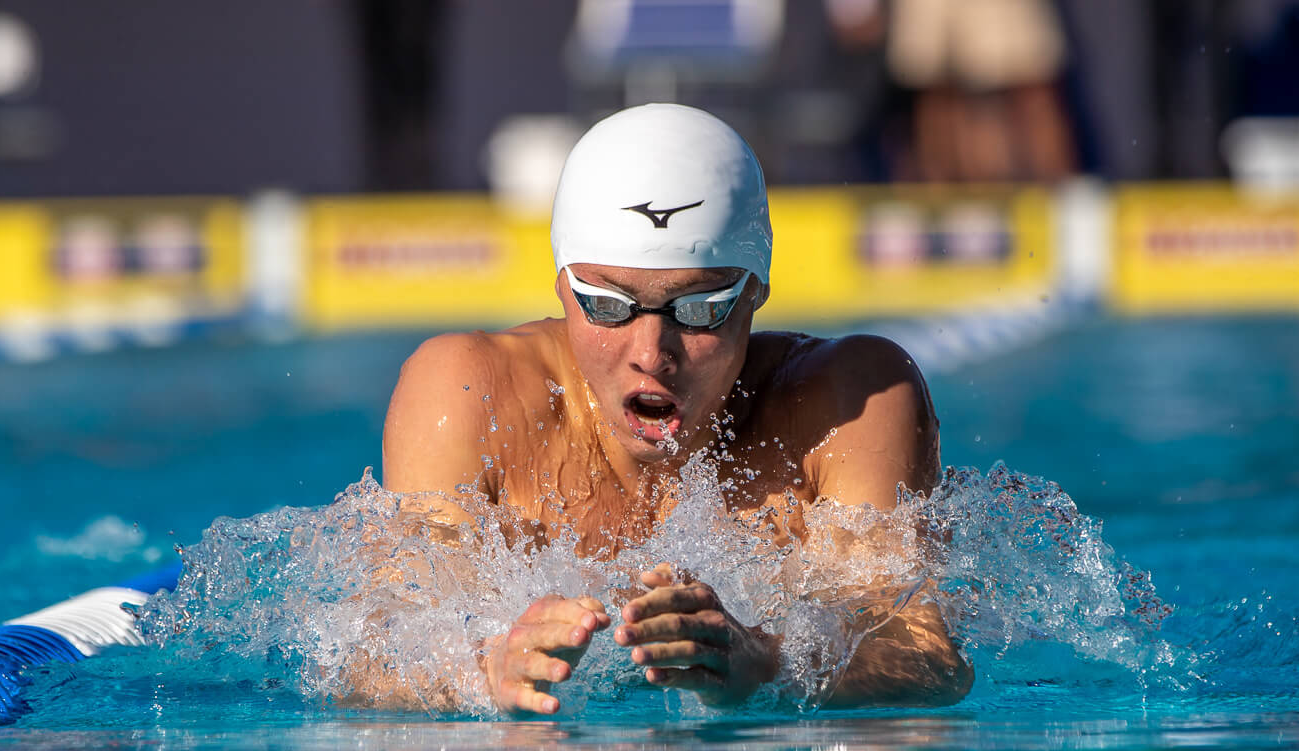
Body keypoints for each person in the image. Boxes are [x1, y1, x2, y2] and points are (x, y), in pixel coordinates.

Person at [382, 103, 970, 715]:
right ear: (561, 283)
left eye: (698, 308)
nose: (651, 354)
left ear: (756, 290)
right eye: (608, 306)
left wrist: (767, 661)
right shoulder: (469, 392)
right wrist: (483, 672)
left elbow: (925, 655)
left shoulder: (848, 403)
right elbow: (371, 654)